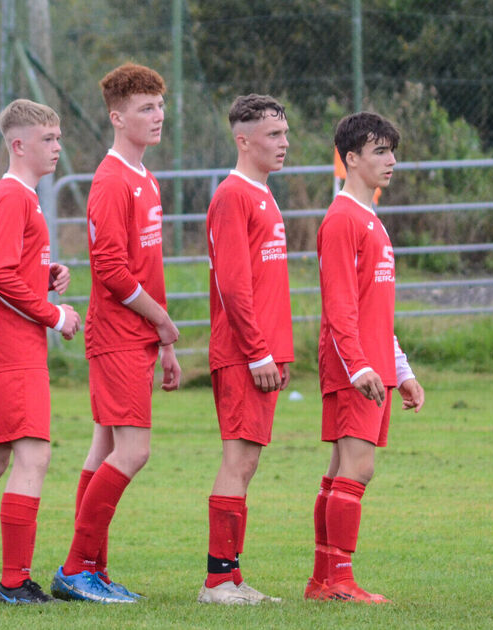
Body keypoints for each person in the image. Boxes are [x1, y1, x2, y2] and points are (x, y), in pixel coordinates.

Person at [50, 62, 181, 604]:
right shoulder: (109, 180)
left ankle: (92, 570)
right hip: (118, 336)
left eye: (159, 105)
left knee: (103, 447)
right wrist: (160, 320)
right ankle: (76, 568)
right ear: (116, 117)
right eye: (145, 108)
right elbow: (111, 270)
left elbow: (147, 267)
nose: (157, 116)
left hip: (140, 336)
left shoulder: (145, 179)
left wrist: (166, 341)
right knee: (133, 451)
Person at [0, 99, 80, 605]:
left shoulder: (16, 198)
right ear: (19, 144)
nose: (57, 147)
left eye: (58, 137)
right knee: (34, 455)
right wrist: (54, 313)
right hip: (9, 346)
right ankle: (14, 581)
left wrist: (44, 275)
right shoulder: (15, 197)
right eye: (48, 139)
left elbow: (3, 266)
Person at [306, 112, 426, 604]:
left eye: (392, 151)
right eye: (380, 151)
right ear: (351, 159)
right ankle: (340, 580)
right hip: (354, 370)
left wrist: (401, 371)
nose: (391, 160)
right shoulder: (341, 220)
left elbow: (374, 309)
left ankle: (322, 580)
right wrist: (358, 367)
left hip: (372, 366)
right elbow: (339, 308)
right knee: (357, 468)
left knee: (340, 469)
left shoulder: (369, 218)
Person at [197, 94, 294, 605]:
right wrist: (257, 353)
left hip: (263, 351)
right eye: (274, 135)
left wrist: (276, 352)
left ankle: (232, 578)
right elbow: (234, 286)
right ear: (244, 140)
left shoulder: (263, 193)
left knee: (247, 462)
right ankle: (217, 581)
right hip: (242, 353)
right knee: (237, 460)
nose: (284, 143)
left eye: (284, 133)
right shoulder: (233, 195)